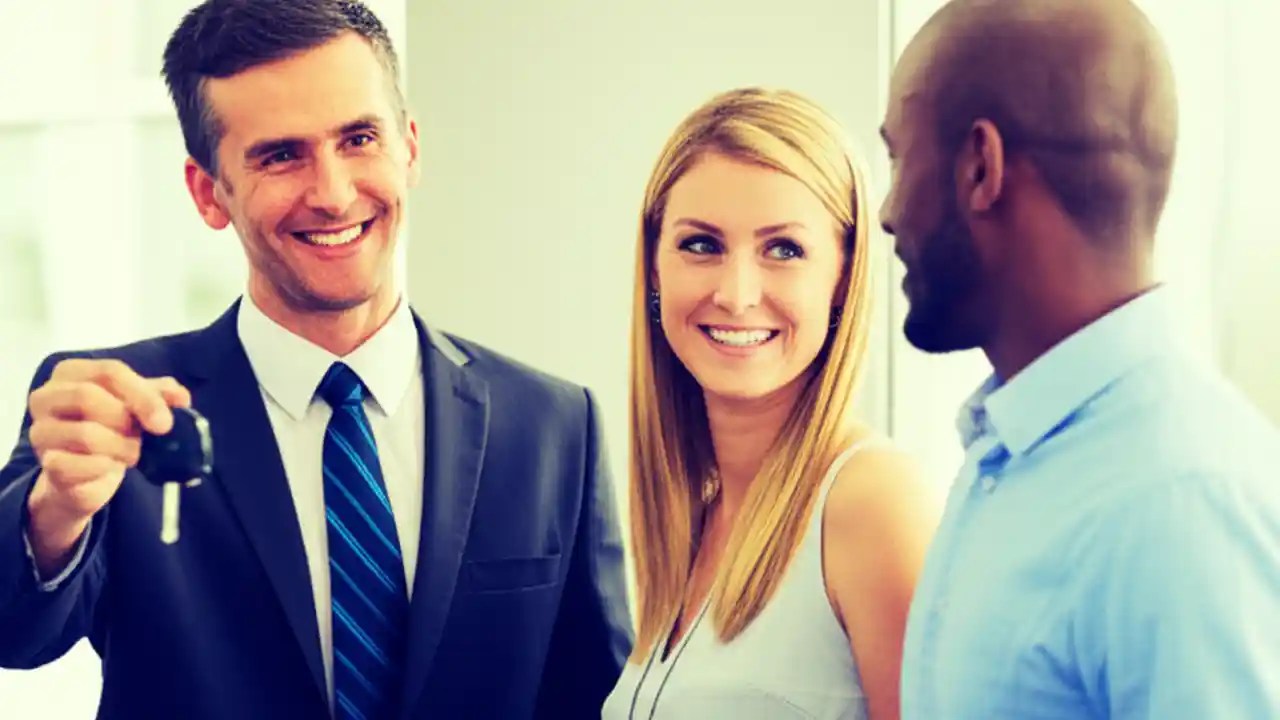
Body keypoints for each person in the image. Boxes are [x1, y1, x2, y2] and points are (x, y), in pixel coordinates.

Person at [0, 1, 632, 718]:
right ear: (209, 193)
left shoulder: (554, 425)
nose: (332, 194)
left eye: (359, 138)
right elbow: (14, 633)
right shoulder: (111, 414)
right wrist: (54, 513)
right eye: (280, 155)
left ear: (410, 148)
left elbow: (593, 695)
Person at [879, 0, 1280, 717]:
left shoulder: (1179, 502)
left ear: (980, 167)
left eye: (898, 156)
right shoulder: (1014, 458)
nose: (886, 211)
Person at [602, 87, 941, 720]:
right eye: (701, 245)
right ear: (654, 268)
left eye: (783, 249)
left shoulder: (871, 503)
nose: (736, 294)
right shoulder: (697, 522)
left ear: (842, 275)